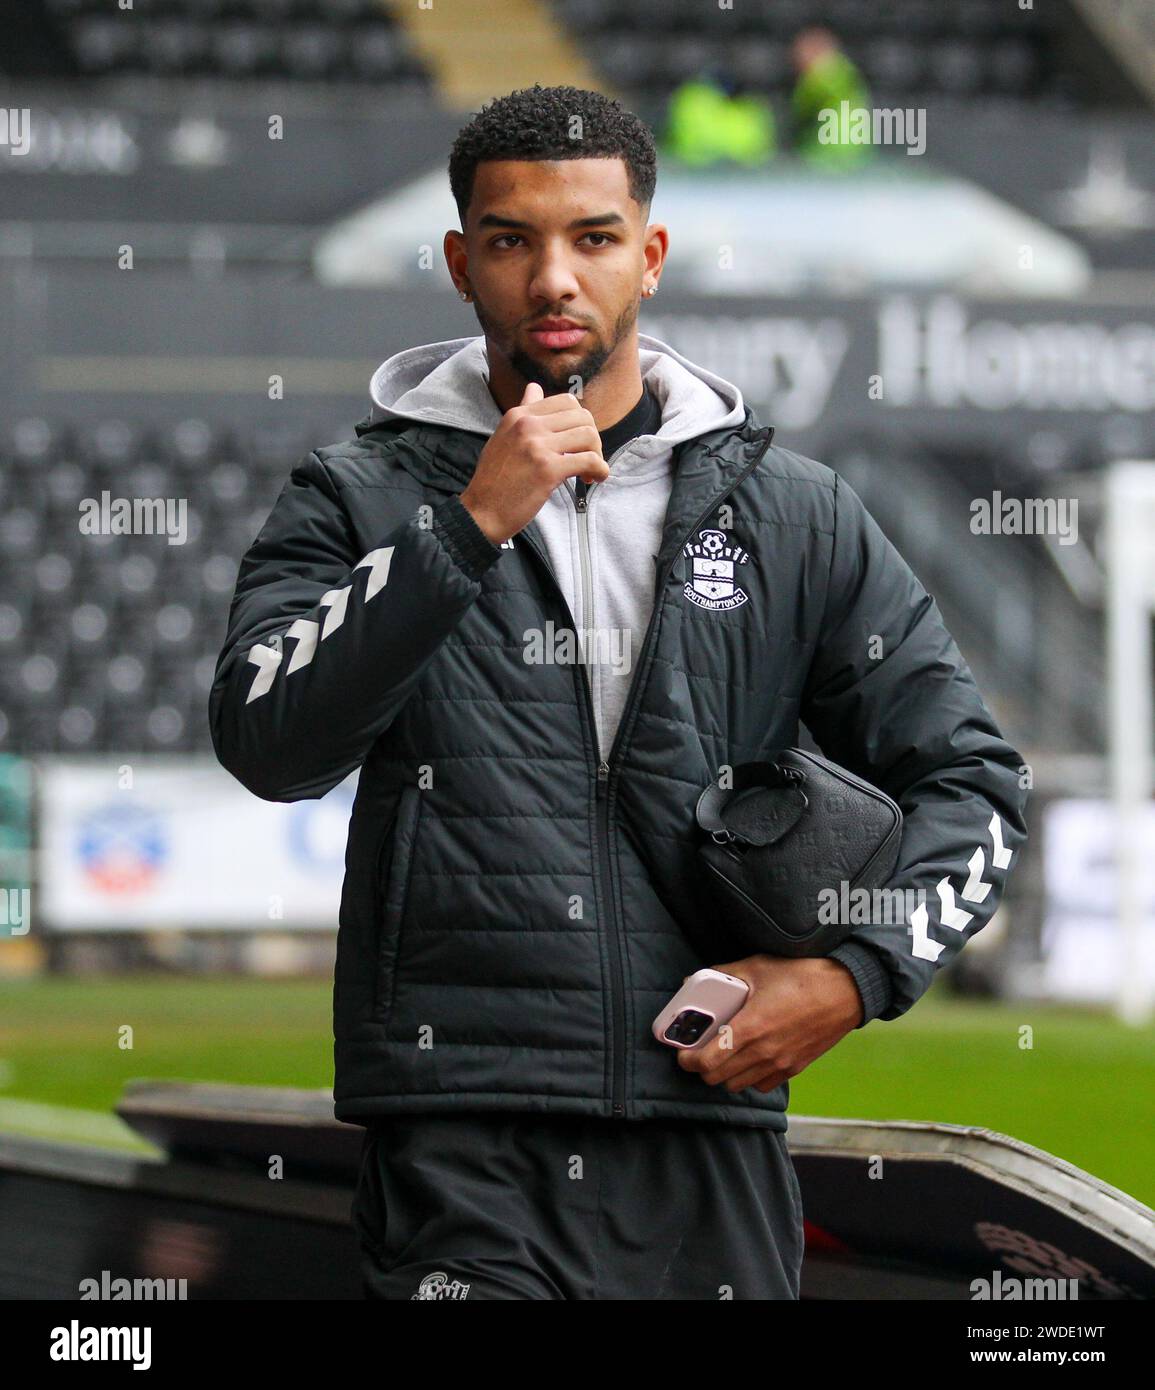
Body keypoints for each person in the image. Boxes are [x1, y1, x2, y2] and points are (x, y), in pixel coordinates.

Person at [209, 84, 1029, 1300]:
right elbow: (267, 739)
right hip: (463, 1138)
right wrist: (471, 523)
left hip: (709, 1131)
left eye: (592, 239)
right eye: (510, 241)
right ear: (458, 264)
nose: (553, 279)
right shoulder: (356, 493)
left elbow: (975, 784)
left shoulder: (792, 513)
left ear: (647, 257)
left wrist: (851, 975)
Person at [789, 26, 873, 168]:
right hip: (854, 145)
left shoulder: (819, 79)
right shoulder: (847, 70)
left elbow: (801, 109)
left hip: (831, 148)